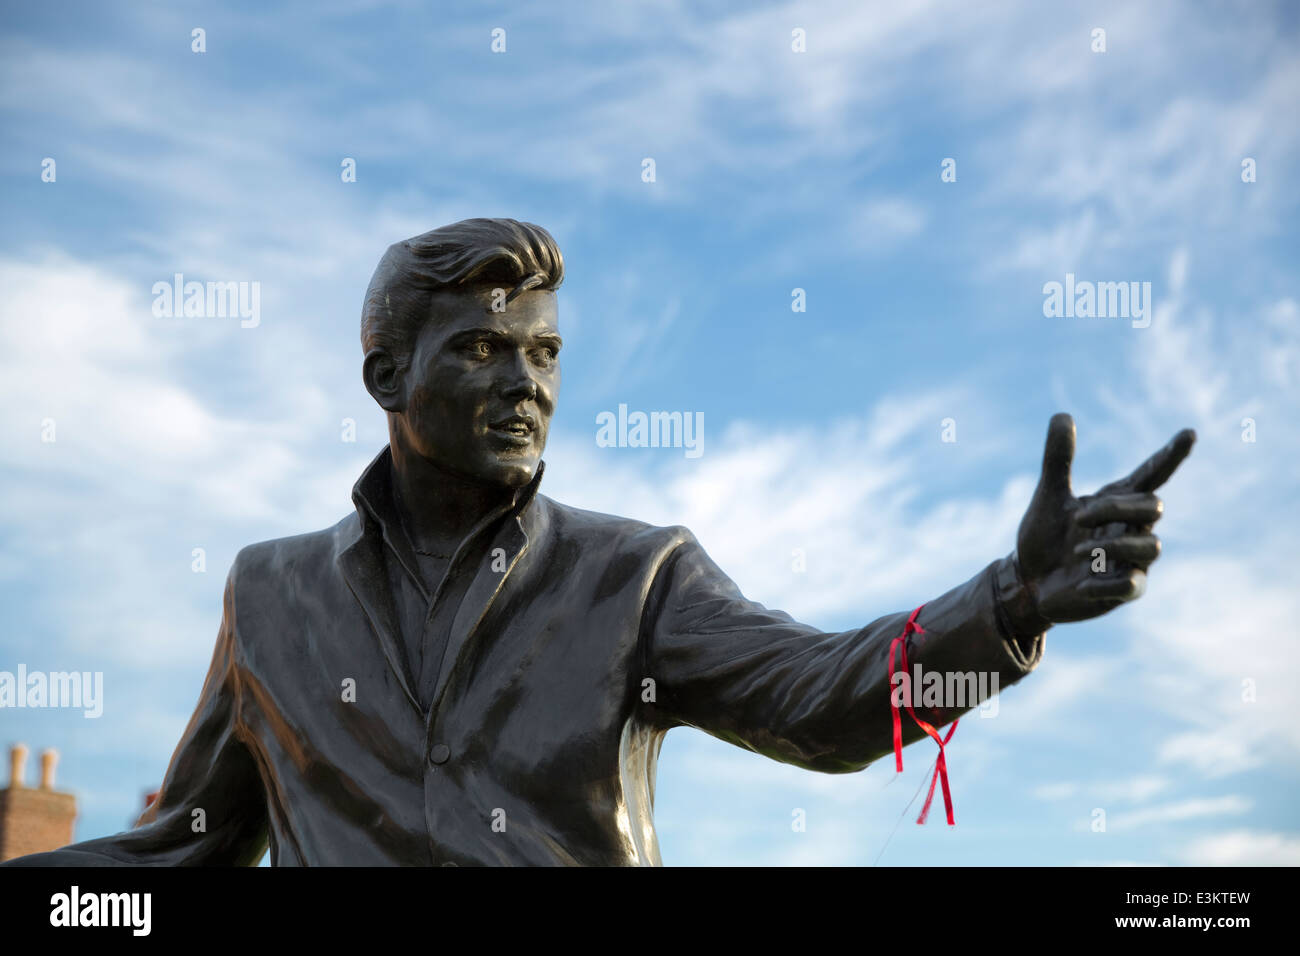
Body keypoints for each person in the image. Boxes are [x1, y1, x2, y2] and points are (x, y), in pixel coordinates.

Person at [4, 218, 1194, 865]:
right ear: (385, 373)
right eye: (482, 348)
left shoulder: (636, 578)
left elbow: (823, 699)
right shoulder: (269, 594)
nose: (527, 381)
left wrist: (1010, 605)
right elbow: (181, 853)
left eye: (547, 353)